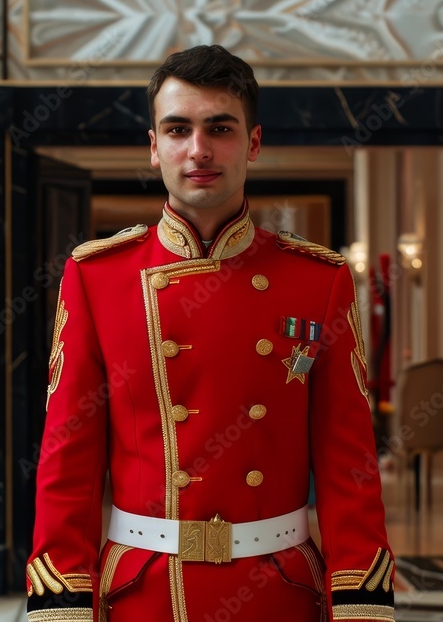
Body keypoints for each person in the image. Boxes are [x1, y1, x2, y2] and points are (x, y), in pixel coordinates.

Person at [26, 45, 394, 622]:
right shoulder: (98, 276)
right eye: (178, 129)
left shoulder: (315, 279)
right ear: (155, 147)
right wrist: (65, 598)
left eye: (219, 128)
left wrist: (359, 599)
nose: (198, 150)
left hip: (279, 592)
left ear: (252, 142)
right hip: (144, 594)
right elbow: (67, 457)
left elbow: (349, 459)